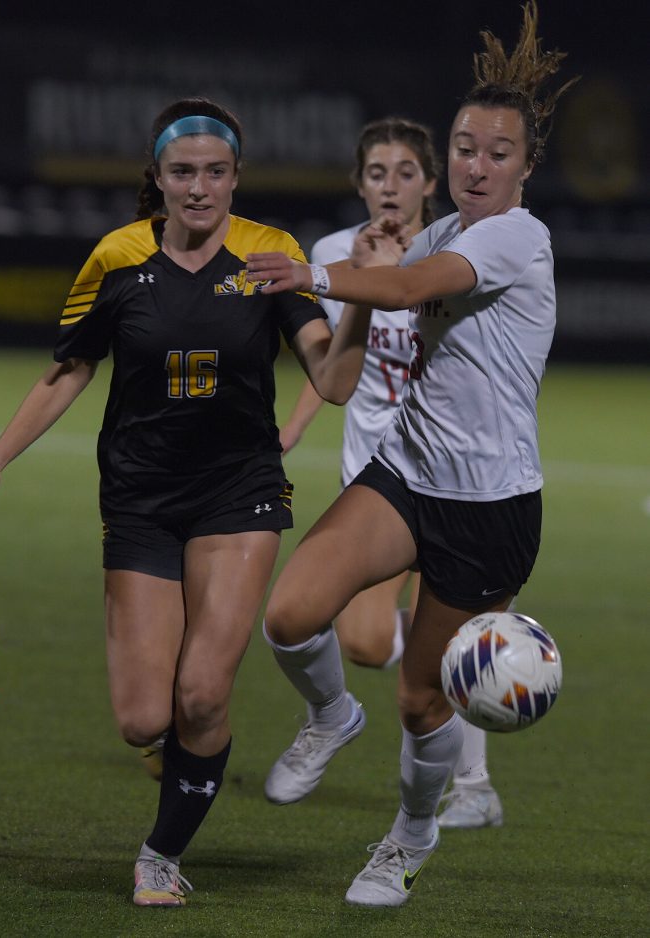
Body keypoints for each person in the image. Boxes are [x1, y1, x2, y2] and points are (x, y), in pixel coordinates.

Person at [0, 97, 381, 908]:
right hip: (139, 499)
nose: (198, 188)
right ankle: (182, 751)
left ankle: (160, 854)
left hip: (237, 494)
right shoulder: (118, 257)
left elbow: (336, 385)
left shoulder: (272, 254)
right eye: (182, 173)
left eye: (213, 172)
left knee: (201, 693)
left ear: (235, 178)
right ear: (158, 179)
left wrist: (363, 298)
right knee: (143, 719)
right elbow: (69, 369)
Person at [246, 0, 578, 907]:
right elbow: (346, 376)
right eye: (465, 146)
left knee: (424, 704)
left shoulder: (517, 237)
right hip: (405, 475)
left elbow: (411, 285)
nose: (476, 164)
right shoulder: (435, 231)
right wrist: (351, 288)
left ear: (525, 167)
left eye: (496, 152)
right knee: (291, 613)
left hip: (489, 508)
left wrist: (316, 273)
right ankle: (327, 717)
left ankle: (408, 836)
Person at [279, 117, 503, 830]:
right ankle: (420, 670)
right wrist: (290, 428)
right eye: (376, 173)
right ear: (358, 183)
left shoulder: (454, 251)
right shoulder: (333, 252)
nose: (390, 186)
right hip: (376, 471)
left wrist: (394, 273)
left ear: (428, 184)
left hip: (451, 468)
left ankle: (473, 785)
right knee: (367, 643)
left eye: (405, 172)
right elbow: (334, 360)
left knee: (440, 645)